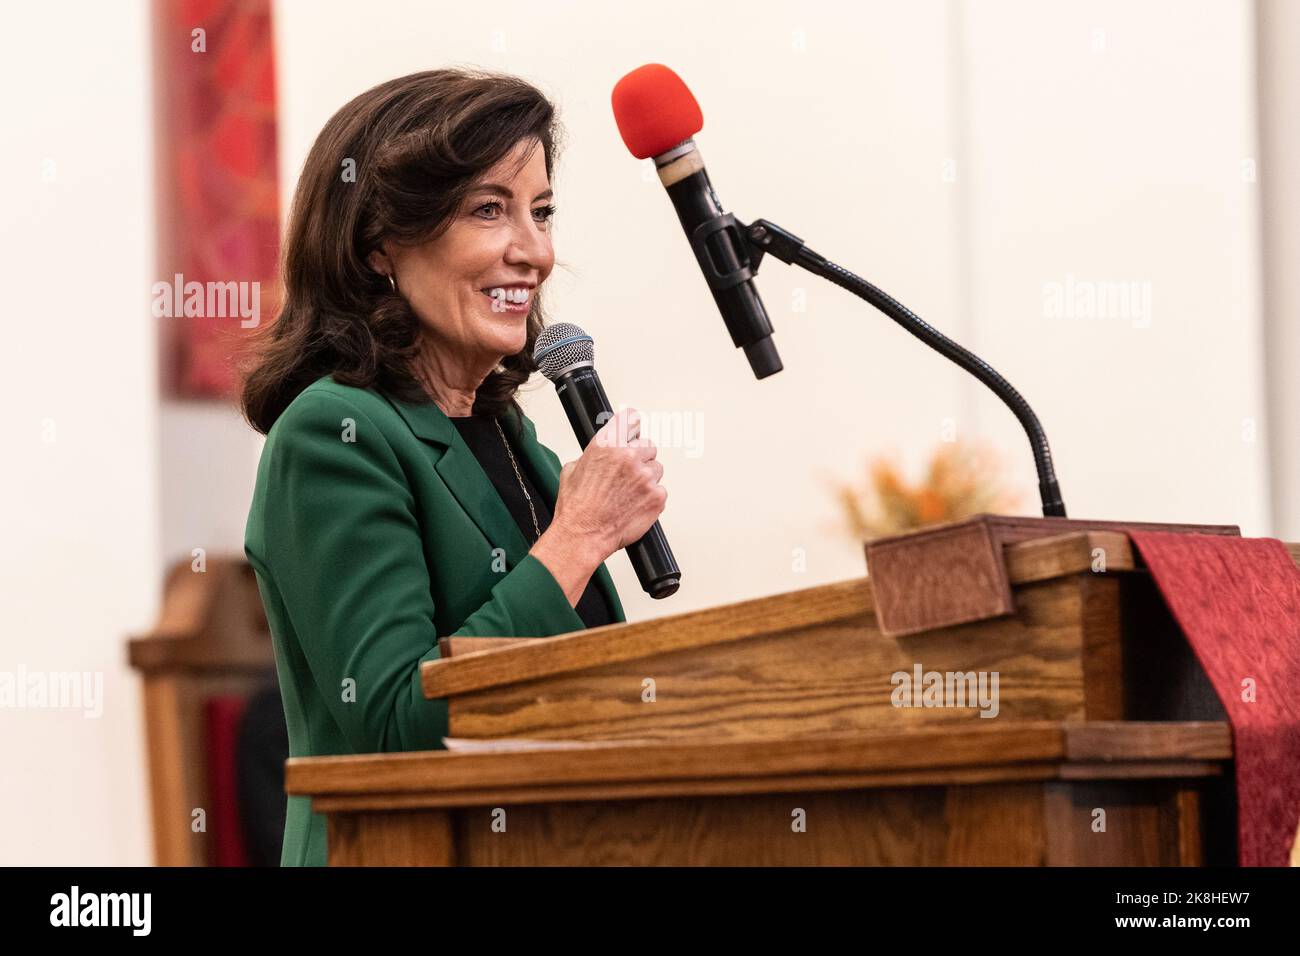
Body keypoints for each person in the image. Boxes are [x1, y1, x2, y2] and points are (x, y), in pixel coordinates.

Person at [239, 69, 668, 867]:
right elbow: (400, 724)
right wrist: (576, 539)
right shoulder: (333, 434)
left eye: (541, 212)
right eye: (489, 210)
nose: (534, 252)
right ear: (379, 247)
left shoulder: (511, 436)